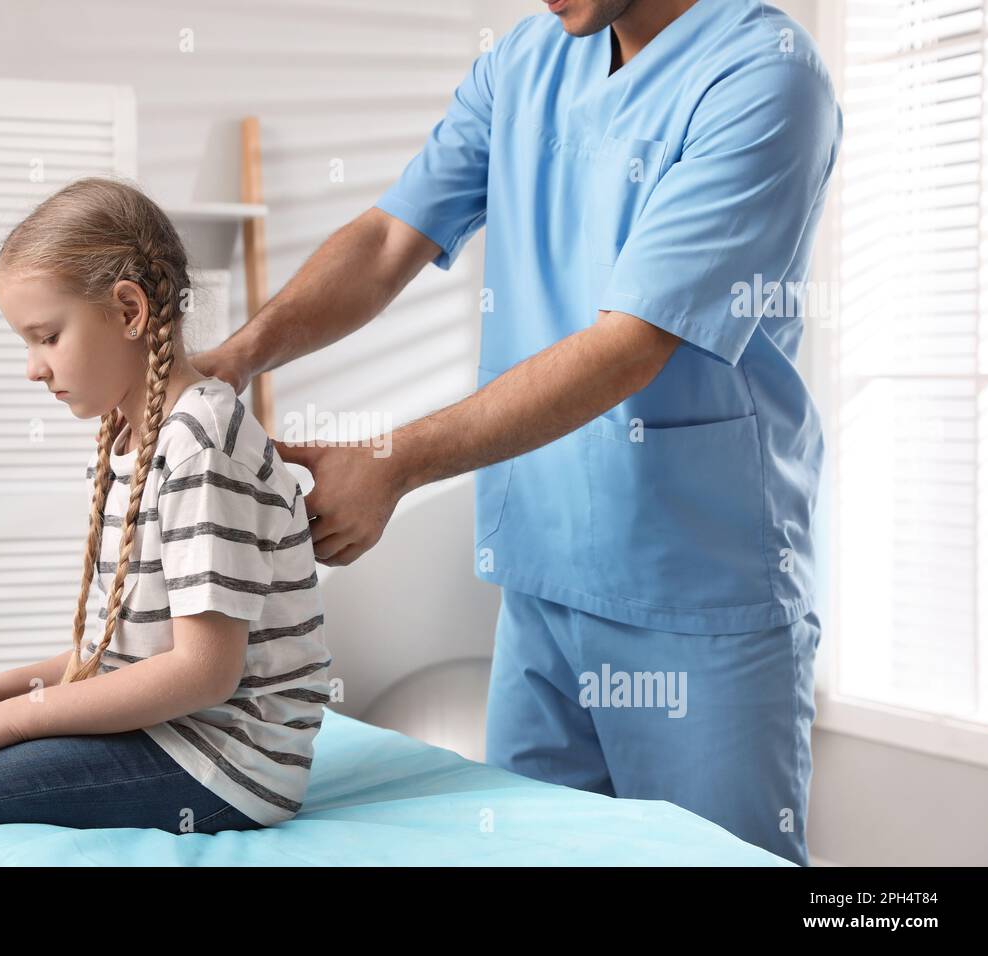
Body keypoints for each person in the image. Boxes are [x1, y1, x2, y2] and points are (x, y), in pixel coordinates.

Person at [194, 0, 842, 866]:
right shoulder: (528, 61)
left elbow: (628, 346)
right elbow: (391, 237)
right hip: (545, 579)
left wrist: (393, 462)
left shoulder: (765, 76)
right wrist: (235, 357)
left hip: (699, 596)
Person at [0, 178, 329, 866]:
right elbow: (133, 654)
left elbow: (203, 674)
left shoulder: (201, 441)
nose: (33, 369)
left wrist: (12, 720)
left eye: (46, 337)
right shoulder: (128, 435)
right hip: (164, 727)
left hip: (223, 760)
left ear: (129, 309)